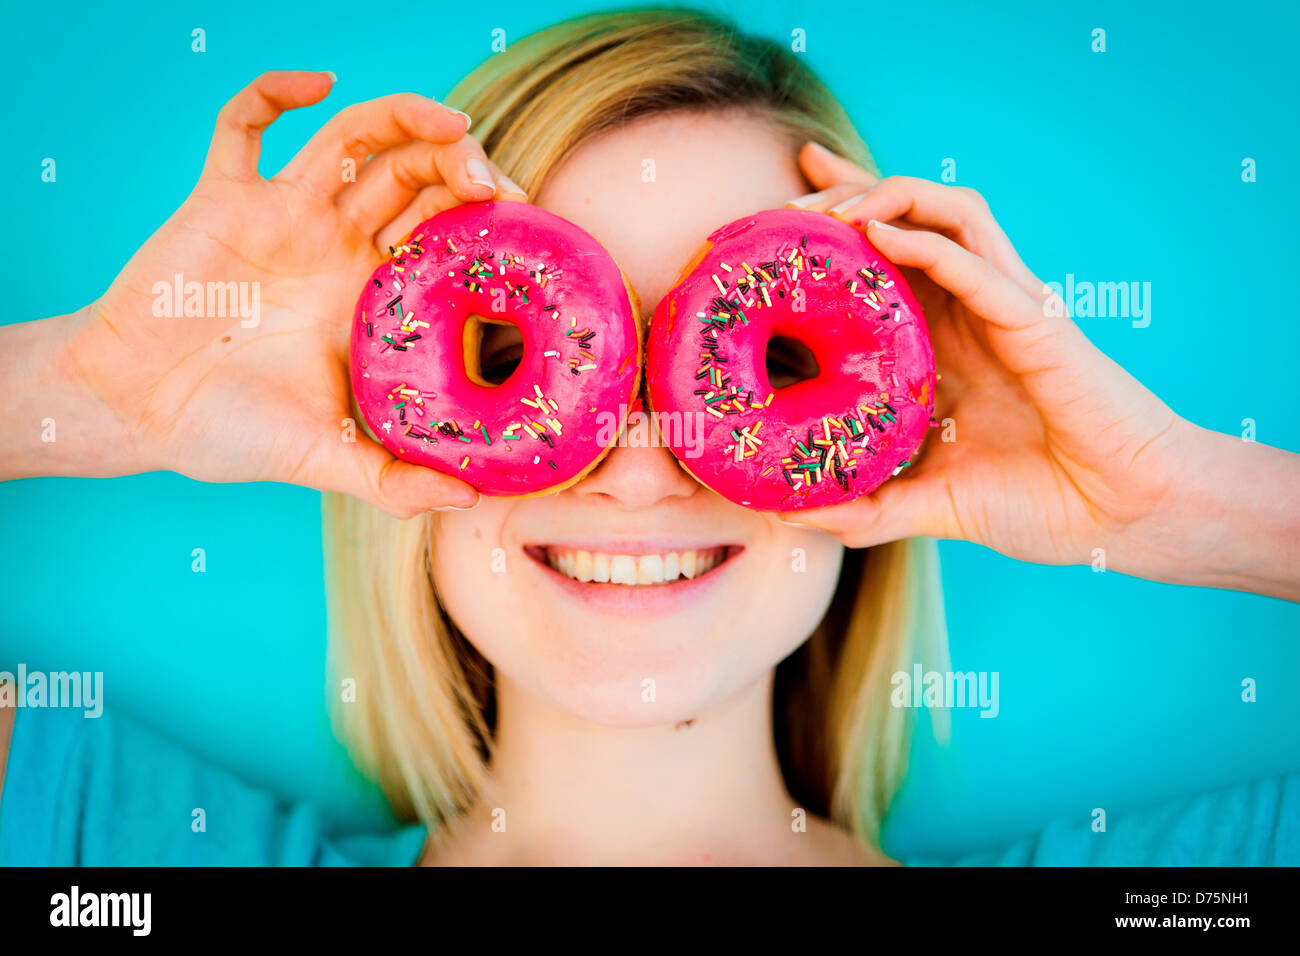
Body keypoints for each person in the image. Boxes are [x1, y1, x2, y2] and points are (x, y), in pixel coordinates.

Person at [1, 9, 1296, 866]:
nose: (635, 460)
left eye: (769, 358)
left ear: (892, 435)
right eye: (512, 356)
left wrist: (1170, 497)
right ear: (384, 416)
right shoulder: (111, 854)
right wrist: (96, 394)